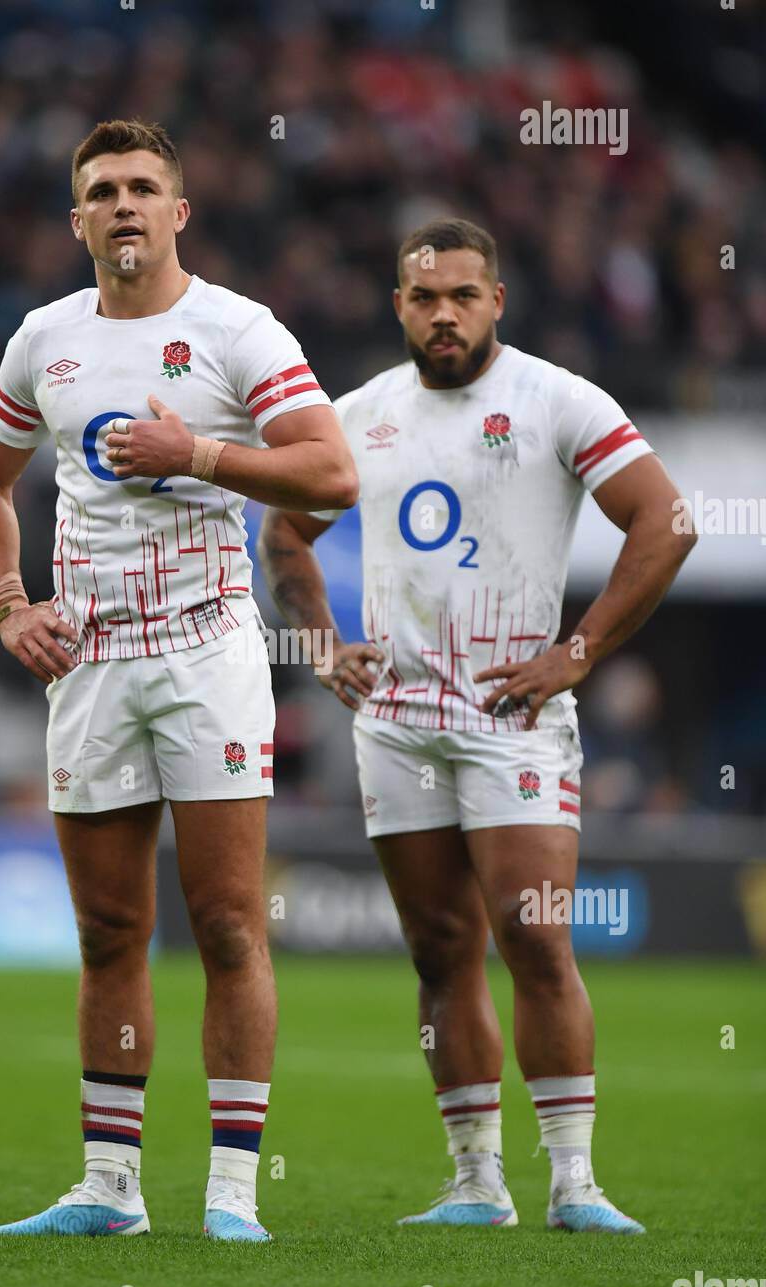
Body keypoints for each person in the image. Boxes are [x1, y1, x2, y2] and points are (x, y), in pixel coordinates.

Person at [0, 119, 357, 1242]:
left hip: (207, 648)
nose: (123, 204)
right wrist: (9, 605)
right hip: (88, 656)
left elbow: (333, 468)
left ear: (180, 212)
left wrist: (203, 456)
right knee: (107, 932)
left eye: (143, 187)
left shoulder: (237, 329)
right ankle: (109, 1189)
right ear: (76, 219)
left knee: (228, 922)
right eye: (102, 190)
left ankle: (231, 1193)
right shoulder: (46, 339)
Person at [259, 218, 695, 1234]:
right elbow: (284, 529)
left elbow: (666, 519)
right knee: (441, 950)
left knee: (535, 938)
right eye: (423, 297)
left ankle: (576, 1182)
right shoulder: (356, 416)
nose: (443, 313)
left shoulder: (556, 400)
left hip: (516, 714)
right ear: (398, 306)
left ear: (498, 300)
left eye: (462, 294)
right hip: (397, 722)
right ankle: (474, 1181)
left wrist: (576, 653)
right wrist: (323, 646)